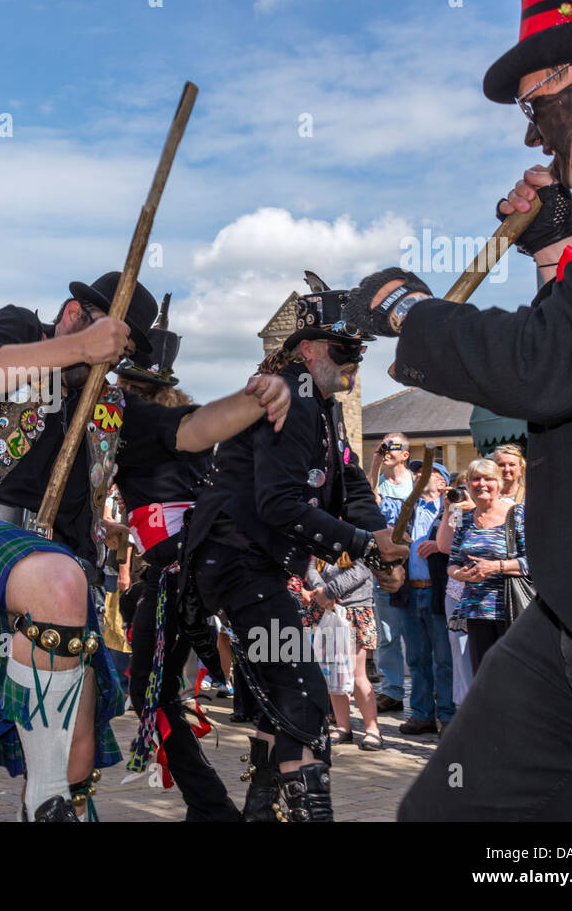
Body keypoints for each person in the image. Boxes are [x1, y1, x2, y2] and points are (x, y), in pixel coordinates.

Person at [348, 0, 572, 821]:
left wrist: (403, 308)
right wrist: (556, 245)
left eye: (535, 104)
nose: (532, 137)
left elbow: (547, 363)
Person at [0, 271, 291, 822]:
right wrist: (77, 349)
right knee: (59, 580)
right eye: (113, 334)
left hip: (53, 567)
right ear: (74, 311)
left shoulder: (110, 404)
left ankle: (61, 797)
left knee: (80, 749)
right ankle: (45, 799)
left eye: (123, 345)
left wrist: (254, 400)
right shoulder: (19, 331)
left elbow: (189, 429)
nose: (114, 353)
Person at [183, 286, 408, 821]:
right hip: (238, 561)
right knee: (303, 697)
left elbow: (351, 484)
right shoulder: (289, 397)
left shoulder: (322, 408)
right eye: (343, 351)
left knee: (281, 699)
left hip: (255, 566)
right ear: (308, 350)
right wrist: (365, 551)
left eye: (359, 353)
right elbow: (279, 504)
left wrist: (381, 545)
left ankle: (261, 813)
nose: (354, 362)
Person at [113, 295, 242, 820]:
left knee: (149, 688)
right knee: (163, 684)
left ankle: (213, 805)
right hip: (188, 559)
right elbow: (162, 503)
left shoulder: (134, 423)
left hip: (173, 571)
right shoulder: (178, 425)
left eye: (120, 383)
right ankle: (213, 803)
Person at [435, 459, 526, 673]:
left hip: (511, 610)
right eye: (475, 479)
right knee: (484, 677)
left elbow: (533, 561)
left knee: (514, 677)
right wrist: (461, 574)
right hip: (476, 611)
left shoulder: (516, 515)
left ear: (499, 484)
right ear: (468, 486)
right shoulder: (465, 519)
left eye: (489, 479)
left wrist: (495, 567)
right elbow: (452, 562)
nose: (482, 484)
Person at [396, 459, 454, 737]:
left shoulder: (450, 510)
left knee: (443, 658)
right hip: (411, 590)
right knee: (417, 658)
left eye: (426, 473)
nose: (419, 475)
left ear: (442, 482)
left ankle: (448, 715)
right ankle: (421, 715)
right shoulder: (408, 510)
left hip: (438, 591)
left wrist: (440, 545)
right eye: (417, 472)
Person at [304, 554, 383, 751]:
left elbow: (362, 569)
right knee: (333, 673)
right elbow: (311, 566)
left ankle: (372, 729)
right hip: (327, 610)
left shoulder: (357, 532)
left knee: (357, 674)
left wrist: (330, 591)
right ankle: (342, 726)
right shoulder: (321, 536)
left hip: (355, 609)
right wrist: (322, 592)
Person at [370, 432, 410, 714]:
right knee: (386, 634)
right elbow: (366, 496)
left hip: (415, 565)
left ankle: (426, 693)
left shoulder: (418, 483)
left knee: (419, 635)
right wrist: (374, 461)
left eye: (392, 446)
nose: (387, 450)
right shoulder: (380, 484)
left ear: (405, 454)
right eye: (384, 446)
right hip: (385, 568)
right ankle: (392, 690)